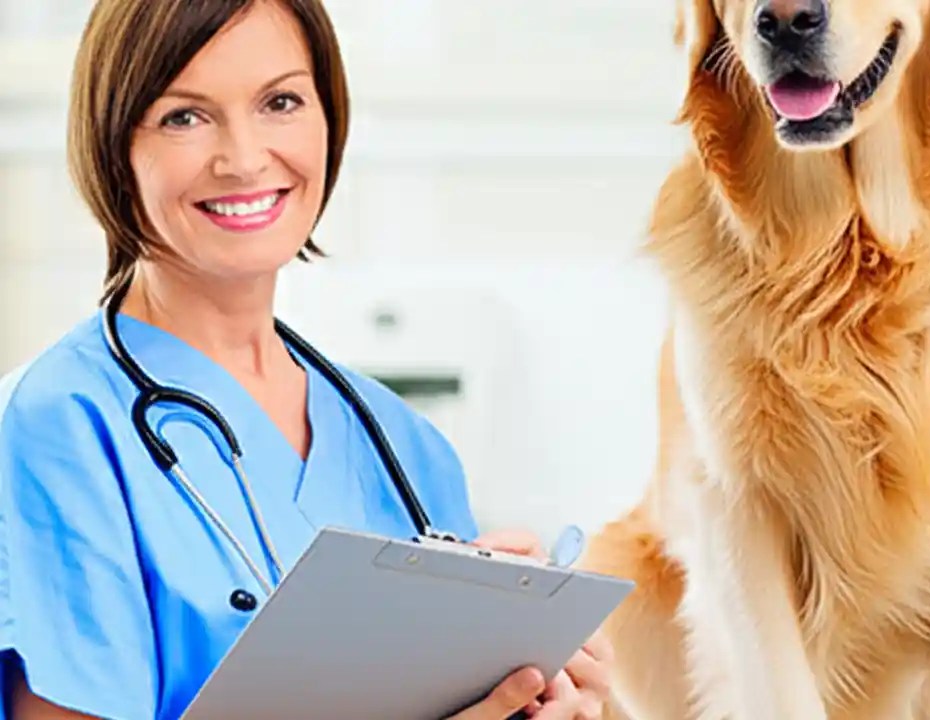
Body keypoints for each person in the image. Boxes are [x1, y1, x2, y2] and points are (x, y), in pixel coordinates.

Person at [0, 1, 612, 718]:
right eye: (184, 117)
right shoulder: (57, 427)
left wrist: (544, 697)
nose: (243, 158)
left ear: (329, 117)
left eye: (280, 102)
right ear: (113, 145)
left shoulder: (404, 448)